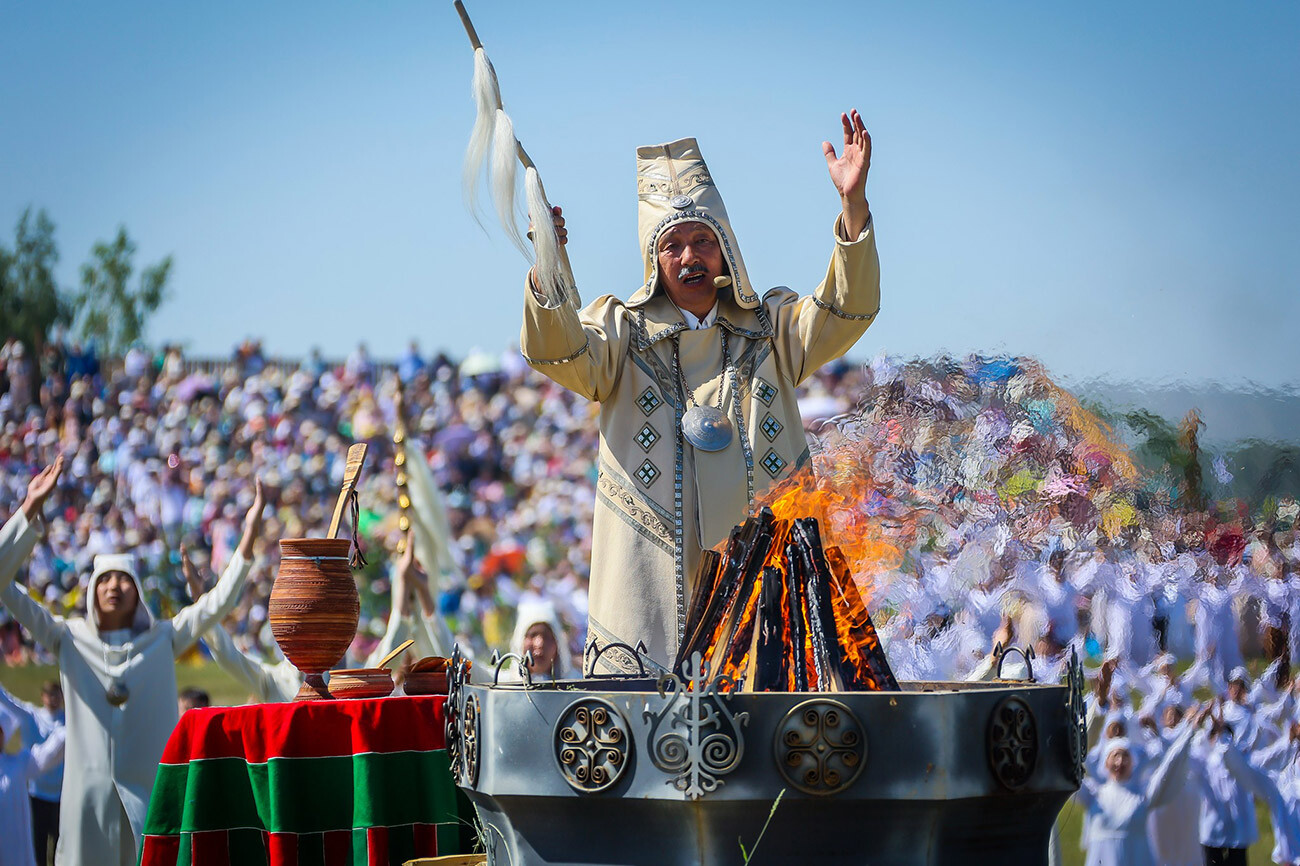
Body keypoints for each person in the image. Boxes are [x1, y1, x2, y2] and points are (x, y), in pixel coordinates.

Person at [520, 112, 880, 670]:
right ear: (654, 259)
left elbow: (845, 310)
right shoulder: (621, 334)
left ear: (726, 250)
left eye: (703, 240)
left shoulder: (772, 327)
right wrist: (547, 264)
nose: (689, 256)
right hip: (649, 610)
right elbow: (561, 352)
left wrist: (852, 207)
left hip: (767, 596)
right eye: (674, 244)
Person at [0, 457, 266, 866]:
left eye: (123, 578)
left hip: (150, 801)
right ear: (90, 591)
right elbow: (3, 581)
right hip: (84, 805)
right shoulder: (67, 637)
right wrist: (29, 510)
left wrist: (247, 539)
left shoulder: (162, 639)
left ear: (138, 590)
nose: (113, 587)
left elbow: (218, 603)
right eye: (104, 579)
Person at [1074, 706, 1202, 866]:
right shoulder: (1094, 794)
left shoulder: (1143, 794)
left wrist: (1189, 731)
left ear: (1133, 762)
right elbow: (1070, 767)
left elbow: (1169, 767)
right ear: (1106, 762)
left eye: (1125, 756)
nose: (1120, 762)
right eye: (1115, 756)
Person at [0, 681, 64, 865]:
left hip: (59, 795)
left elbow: (44, 757)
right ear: (42, 696)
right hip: (38, 796)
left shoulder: (17, 765)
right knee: (40, 845)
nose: (52, 699)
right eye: (49, 694)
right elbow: (8, 701)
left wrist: (64, 734)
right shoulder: (32, 716)